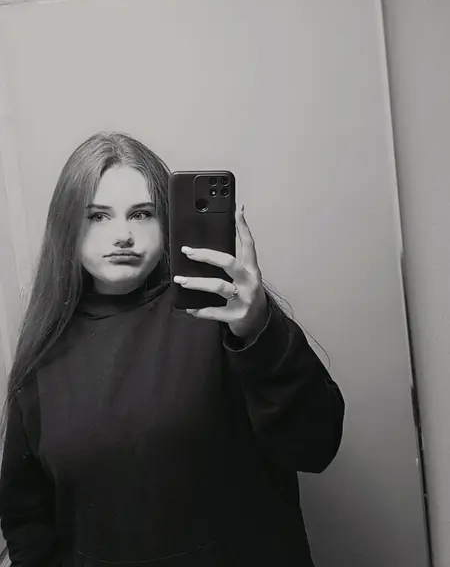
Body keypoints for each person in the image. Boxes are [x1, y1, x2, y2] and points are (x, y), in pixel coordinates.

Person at [0, 132, 344, 567]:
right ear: (66, 226)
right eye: (98, 216)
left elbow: (315, 445)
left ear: (167, 218)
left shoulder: (222, 312)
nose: (122, 235)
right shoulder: (45, 347)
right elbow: (27, 518)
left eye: (141, 214)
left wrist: (260, 329)